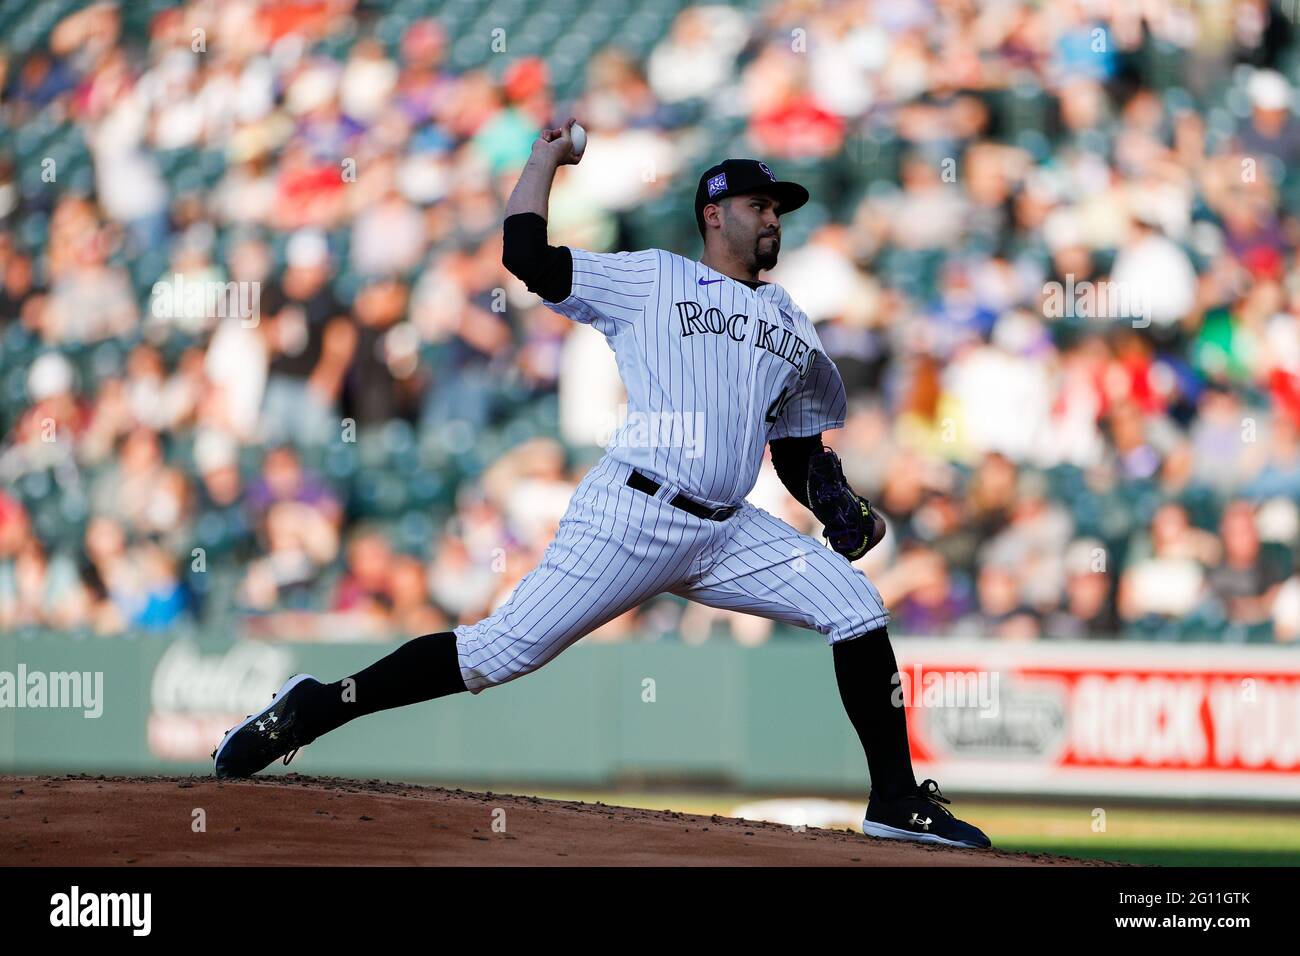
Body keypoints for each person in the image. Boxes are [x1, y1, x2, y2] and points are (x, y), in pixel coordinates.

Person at [213, 119, 991, 850]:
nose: (774, 220)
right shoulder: (653, 280)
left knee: (855, 605)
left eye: (779, 209)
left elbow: (798, 449)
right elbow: (529, 257)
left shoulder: (791, 321)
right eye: (760, 205)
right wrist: (543, 161)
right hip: (634, 513)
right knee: (497, 652)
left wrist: (837, 506)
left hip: (728, 531)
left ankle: (894, 799)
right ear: (714, 215)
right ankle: (315, 707)